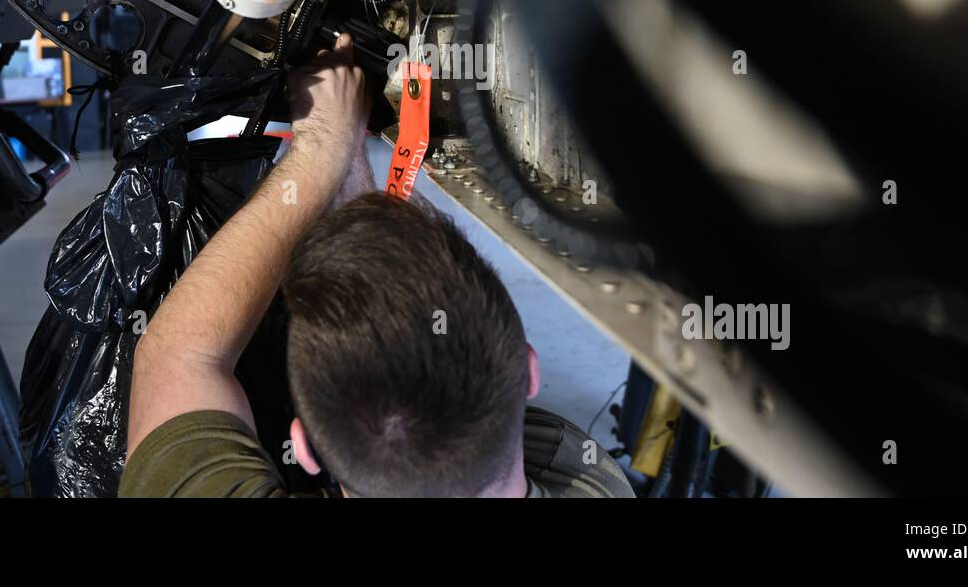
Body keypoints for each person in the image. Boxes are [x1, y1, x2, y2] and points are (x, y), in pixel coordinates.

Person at [121, 33, 634, 497]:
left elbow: (180, 360)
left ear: (305, 450)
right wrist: (334, 156)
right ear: (529, 371)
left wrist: (325, 146)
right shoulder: (593, 482)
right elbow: (181, 360)